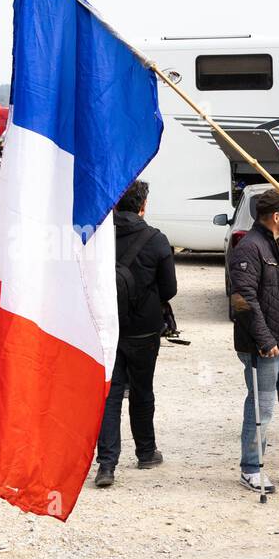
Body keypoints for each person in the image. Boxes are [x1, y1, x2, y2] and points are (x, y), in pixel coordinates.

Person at [223, 190, 279, 493]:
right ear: (277, 217)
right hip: (264, 348)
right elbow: (241, 299)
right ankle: (251, 467)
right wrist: (264, 339)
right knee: (261, 409)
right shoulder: (250, 248)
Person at [93, 180, 177, 488]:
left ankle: (106, 464)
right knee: (142, 390)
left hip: (106, 326)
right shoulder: (155, 239)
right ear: (143, 205)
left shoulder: (97, 236)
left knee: (110, 394)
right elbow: (170, 289)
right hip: (143, 329)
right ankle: (145, 450)